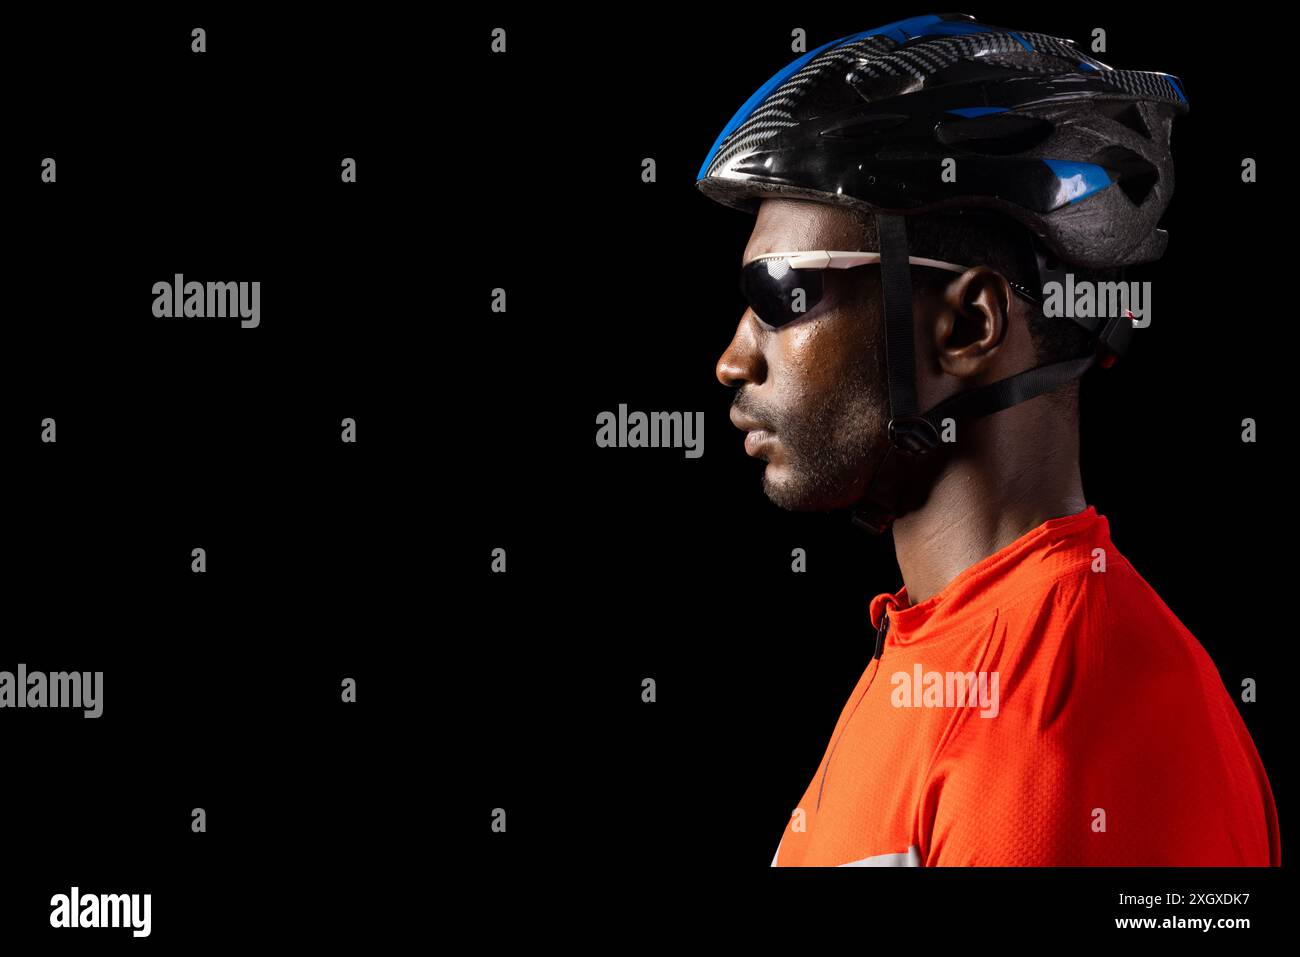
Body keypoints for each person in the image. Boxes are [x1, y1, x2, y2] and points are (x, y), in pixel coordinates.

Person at [698, 13, 1279, 866]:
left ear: (966, 323)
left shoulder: (1066, 729)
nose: (731, 359)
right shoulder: (937, 650)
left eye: (783, 294)